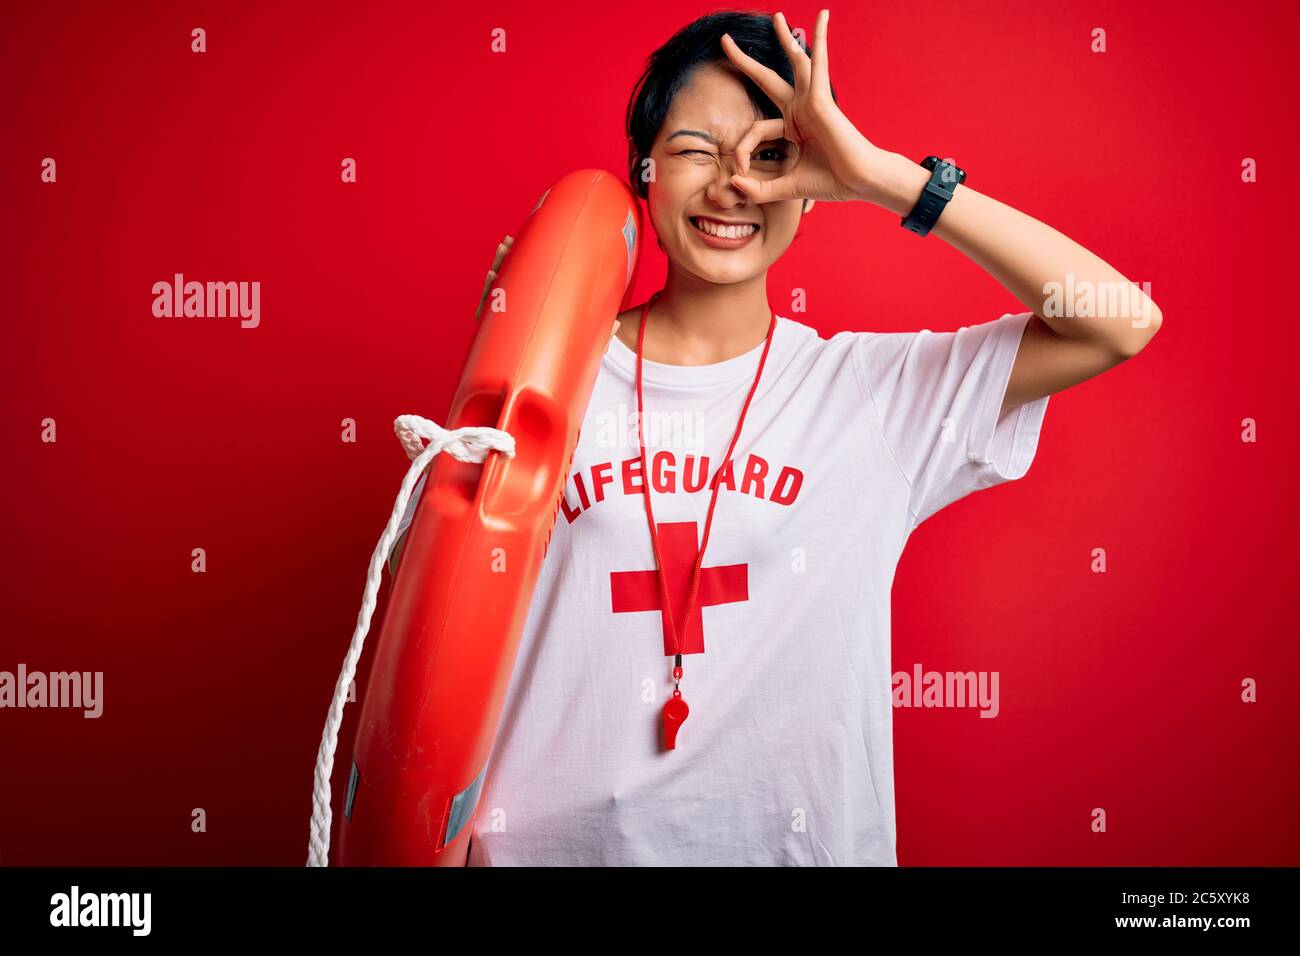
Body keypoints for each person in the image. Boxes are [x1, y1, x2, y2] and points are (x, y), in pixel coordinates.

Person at [389, 9, 1161, 865]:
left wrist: (884, 178)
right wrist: (513, 332)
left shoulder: (871, 395)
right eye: (694, 150)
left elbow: (1120, 323)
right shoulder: (548, 373)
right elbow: (452, 622)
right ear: (643, 171)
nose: (733, 186)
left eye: (771, 156)